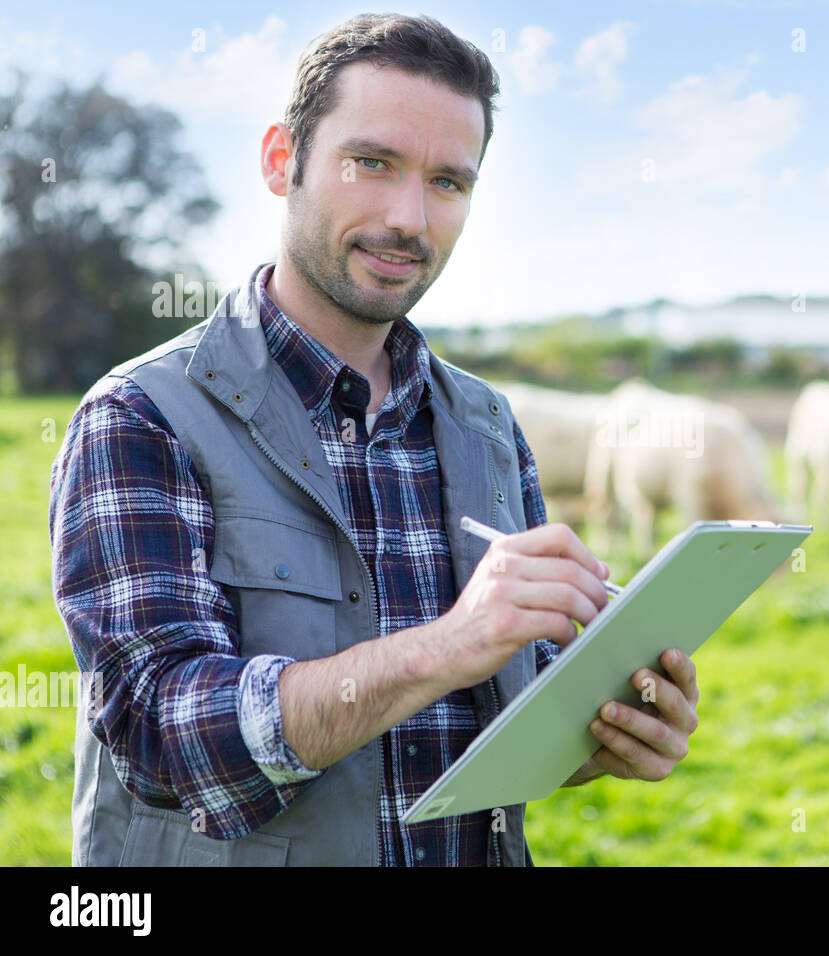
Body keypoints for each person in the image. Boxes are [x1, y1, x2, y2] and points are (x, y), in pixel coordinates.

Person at [48, 12, 699, 867]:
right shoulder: (142, 416)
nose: (410, 219)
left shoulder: (489, 427)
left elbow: (492, 720)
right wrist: (449, 644)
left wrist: (598, 731)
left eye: (448, 183)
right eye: (372, 163)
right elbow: (165, 734)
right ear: (284, 161)